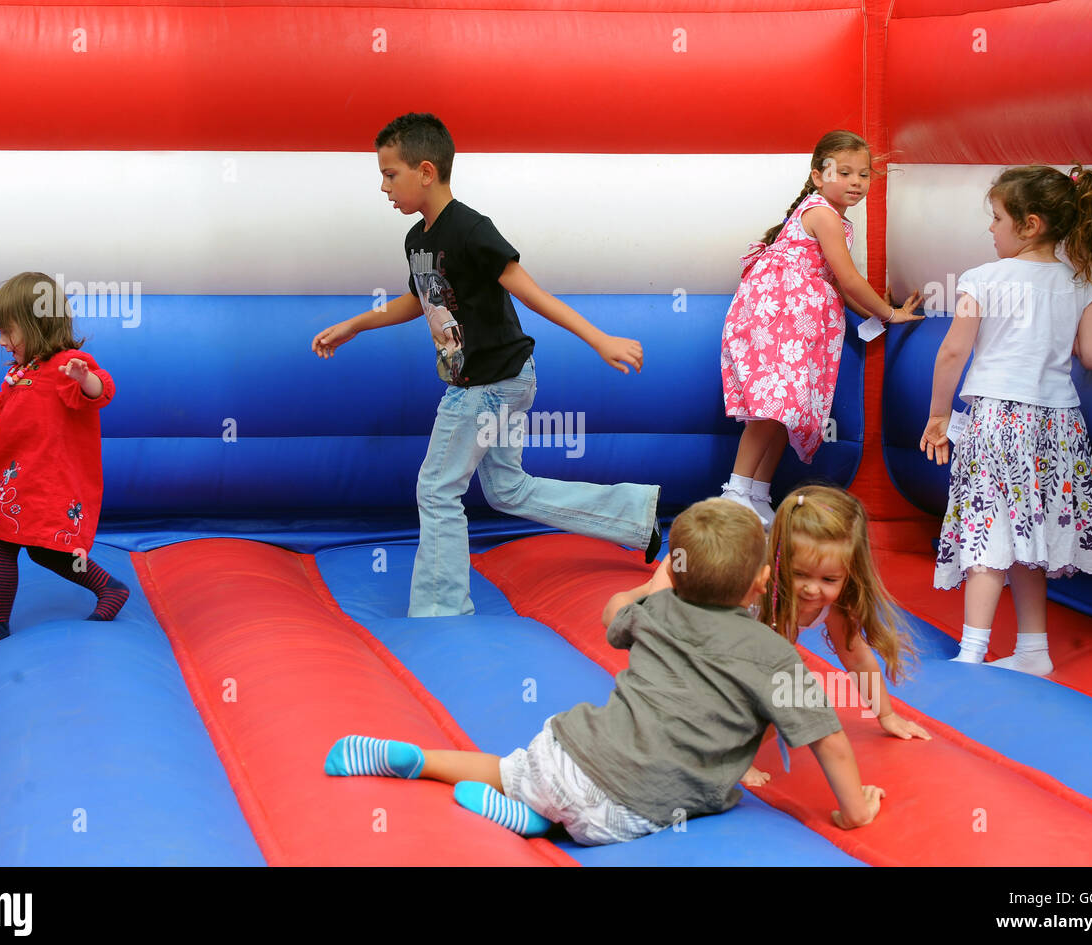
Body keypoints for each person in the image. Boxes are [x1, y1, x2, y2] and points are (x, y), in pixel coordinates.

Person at [324, 498, 883, 845]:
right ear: (763, 580)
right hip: (630, 805)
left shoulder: (657, 611)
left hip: (568, 750)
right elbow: (828, 740)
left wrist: (646, 589)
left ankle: (425, 762)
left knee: (508, 767)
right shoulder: (773, 654)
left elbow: (612, 613)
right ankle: (545, 823)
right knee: (593, 820)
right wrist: (855, 810)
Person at [312, 112, 660, 617]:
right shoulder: (418, 240)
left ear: (425, 171)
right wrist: (355, 325)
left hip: (488, 385)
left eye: (391, 175)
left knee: (436, 487)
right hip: (502, 381)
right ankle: (635, 515)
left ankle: (441, 607)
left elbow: (530, 292)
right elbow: (419, 301)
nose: (384, 187)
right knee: (508, 488)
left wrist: (598, 338)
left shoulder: (471, 229)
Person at [920, 165, 1092, 676]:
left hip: (997, 418)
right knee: (1031, 532)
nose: (991, 228)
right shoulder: (1077, 282)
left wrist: (939, 414)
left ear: (1028, 224)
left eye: (997, 217)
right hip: (1057, 424)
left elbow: (952, 352)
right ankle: (1033, 650)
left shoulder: (984, 278)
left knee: (988, 527)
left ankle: (973, 651)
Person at [617, 484, 929, 787]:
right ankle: (640, 597)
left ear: (849, 573)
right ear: (778, 563)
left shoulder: (835, 609)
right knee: (661, 628)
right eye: (800, 574)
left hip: (731, 627)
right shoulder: (754, 588)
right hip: (692, 583)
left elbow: (858, 660)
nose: (812, 588)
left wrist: (886, 716)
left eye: (829, 579)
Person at [720, 130, 924, 528]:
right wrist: (888, 312)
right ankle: (735, 492)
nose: (855, 183)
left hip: (796, 326)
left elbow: (837, 283)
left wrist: (872, 312)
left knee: (786, 412)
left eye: (863, 175)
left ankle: (757, 494)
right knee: (769, 409)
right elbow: (848, 279)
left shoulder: (834, 221)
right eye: (843, 173)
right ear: (818, 176)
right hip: (777, 321)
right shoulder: (821, 214)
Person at [0, 272, 127, 643]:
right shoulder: (22, 375)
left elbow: (103, 391)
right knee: (19, 546)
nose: (2, 343)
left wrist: (85, 379)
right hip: (17, 481)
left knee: (28, 548)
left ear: (39, 324)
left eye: (8, 332)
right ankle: (3, 620)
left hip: (47, 484)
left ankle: (103, 590)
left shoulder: (69, 365)